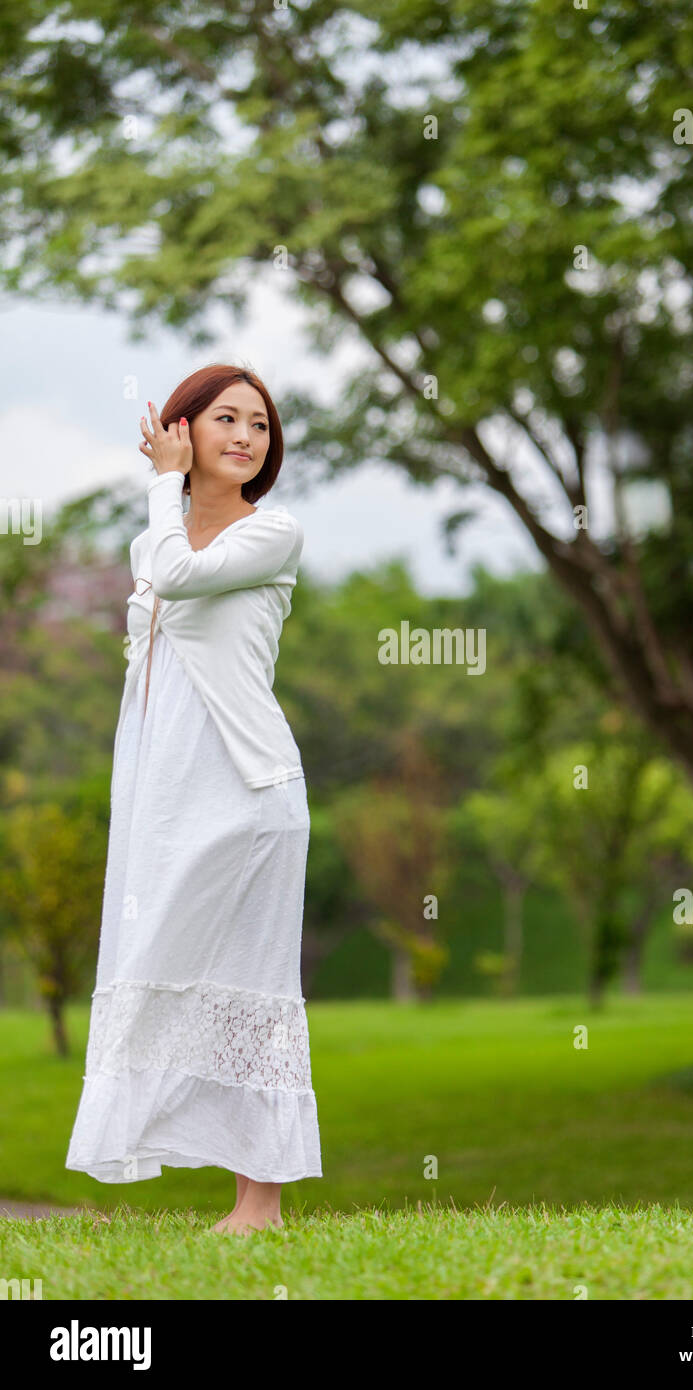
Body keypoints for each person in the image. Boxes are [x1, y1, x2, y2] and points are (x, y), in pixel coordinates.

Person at [66, 364, 322, 1234]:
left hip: (250, 798)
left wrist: (157, 486)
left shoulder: (272, 533)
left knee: (254, 986)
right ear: (185, 427)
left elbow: (179, 572)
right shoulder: (158, 541)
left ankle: (263, 1203)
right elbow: (150, 676)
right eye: (227, 418)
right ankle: (191, 1160)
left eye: (259, 424)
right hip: (171, 797)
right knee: (162, 964)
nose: (247, 435)